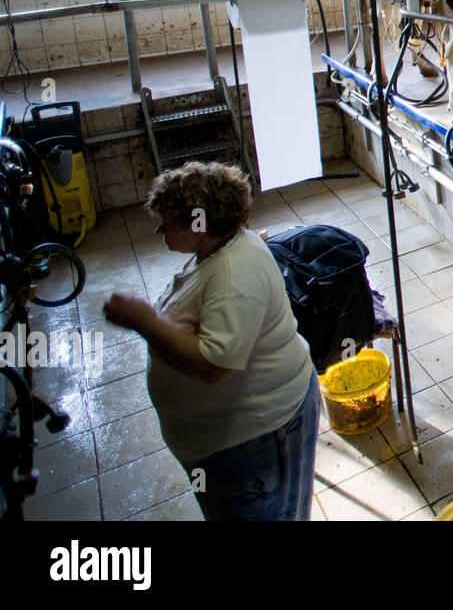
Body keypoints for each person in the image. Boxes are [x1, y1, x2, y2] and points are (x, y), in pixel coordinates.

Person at [104, 161, 318, 521]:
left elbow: (217, 366)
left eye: (167, 224)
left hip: (258, 436)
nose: (159, 230)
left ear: (200, 225)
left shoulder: (233, 275)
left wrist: (146, 323)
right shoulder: (222, 248)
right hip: (235, 439)